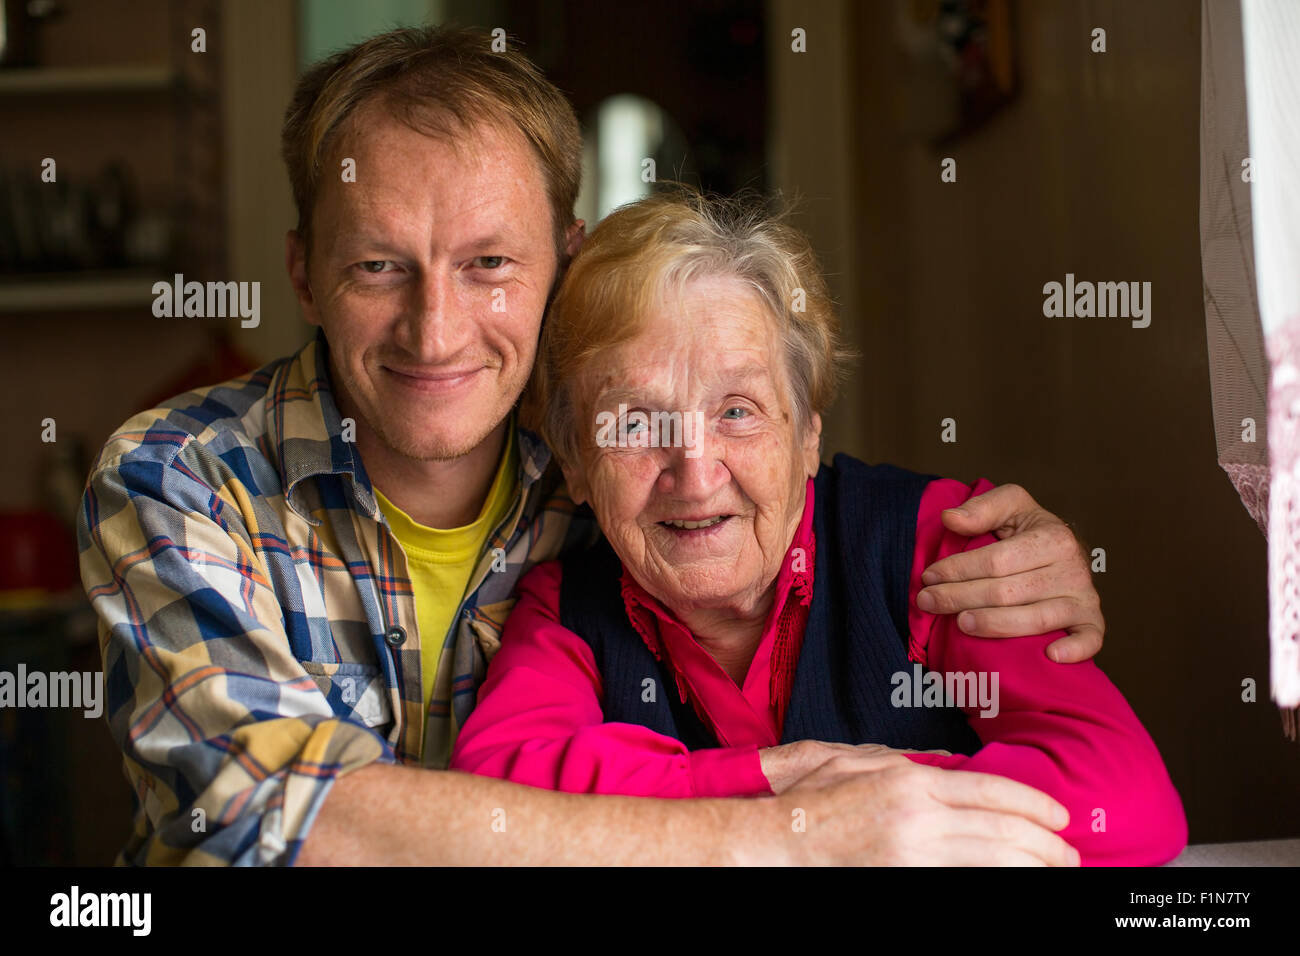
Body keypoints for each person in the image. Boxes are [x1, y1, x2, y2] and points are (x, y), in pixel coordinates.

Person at [78, 25, 1104, 866]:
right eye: (380, 265)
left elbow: (795, 503)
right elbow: (275, 813)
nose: (435, 330)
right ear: (305, 273)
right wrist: (783, 832)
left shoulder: (619, 467)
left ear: (564, 264)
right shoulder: (179, 477)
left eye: (490, 262)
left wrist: (995, 558)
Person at [450, 190, 1188, 865]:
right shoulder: (566, 606)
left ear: (807, 434)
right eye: (636, 422)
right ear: (576, 463)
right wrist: (784, 786)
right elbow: (495, 804)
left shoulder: (932, 542)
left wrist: (873, 802)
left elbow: (1126, 802)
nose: (696, 471)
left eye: (737, 410)